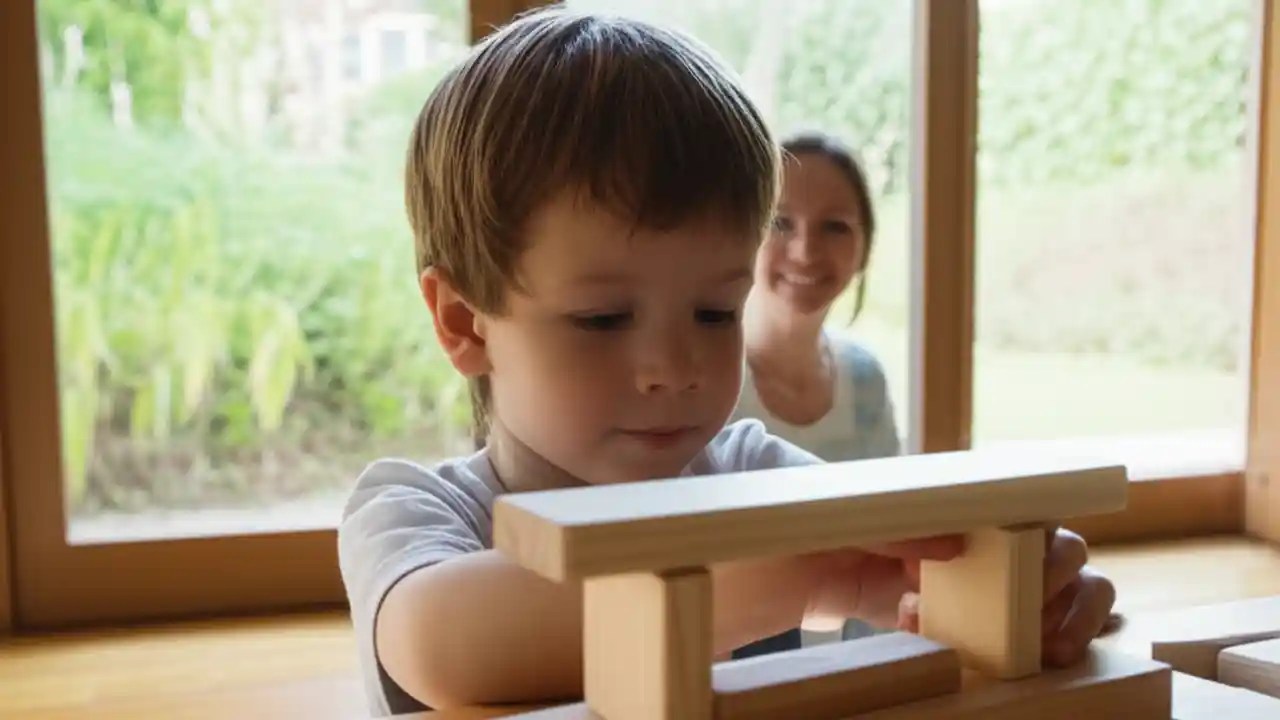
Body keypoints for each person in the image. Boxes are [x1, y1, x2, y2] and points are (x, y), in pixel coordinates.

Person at [337, 8, 1118, 716]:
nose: (673, 366)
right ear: (463, 321)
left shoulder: (745, 471)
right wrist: (781, 575)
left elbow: (902, 552)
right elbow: (448, 648)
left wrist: (1001, 585)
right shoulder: (413, 512)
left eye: (715, 312)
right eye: (603, 318)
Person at [731, 132, 898, 656]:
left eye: (835, 227)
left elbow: (891, 538)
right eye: (781, 223)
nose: (806, 250)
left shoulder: (865, 379)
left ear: (864, 246)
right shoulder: (706, 387)